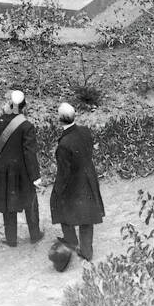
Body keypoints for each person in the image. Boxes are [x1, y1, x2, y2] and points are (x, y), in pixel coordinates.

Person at [0, 90, 43, 247]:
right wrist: (35, 176)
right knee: (30, 201)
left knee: (8, 203)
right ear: (22, 107)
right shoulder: (27, 125)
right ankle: (35, 234)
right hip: (23, 170)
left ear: (10, 105)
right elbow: (30, 153)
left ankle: (11, 239)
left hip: (3, 169)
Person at [50, 103, 104, 261]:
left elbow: (63, 173)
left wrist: (57, 191)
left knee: (60, 207)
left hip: (74, 184)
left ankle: (71, 241)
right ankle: (87, 252)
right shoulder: (85, 131)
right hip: (89, 178)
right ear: (75, 116)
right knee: (87, 216)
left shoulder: (64, 144)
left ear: (60, 119)